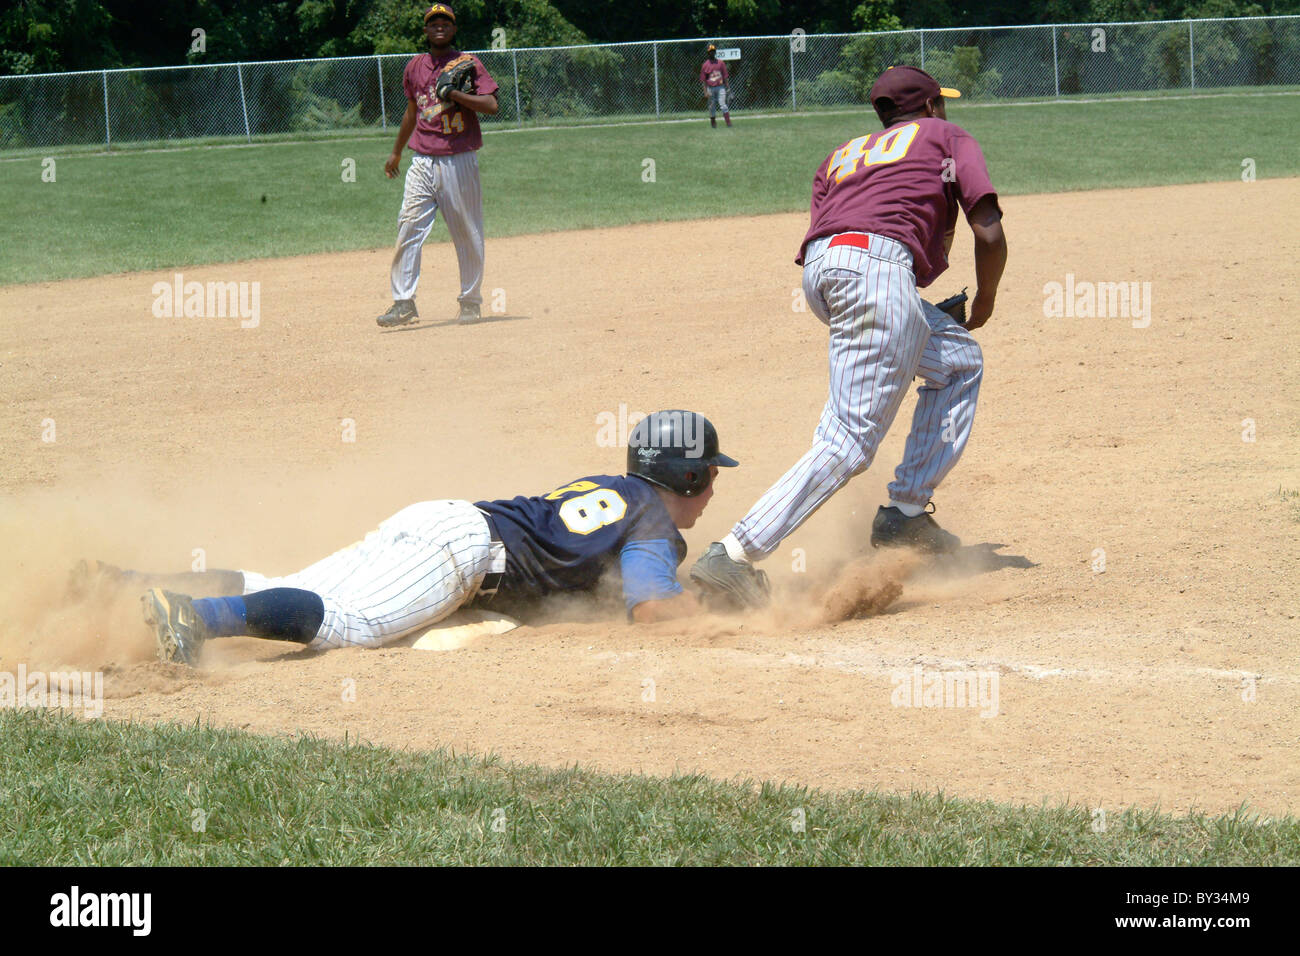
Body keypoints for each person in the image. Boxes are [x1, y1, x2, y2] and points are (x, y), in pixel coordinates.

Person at [690, 65, 1008, 610]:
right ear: (931, 106)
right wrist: (985, 298)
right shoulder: (946, 136)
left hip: (826, 272)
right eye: (943, 103)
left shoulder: (841, 155)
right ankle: (734, 554)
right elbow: (989, 230)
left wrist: (907, 309)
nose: (947, 111)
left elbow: (844, 234)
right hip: (876, 275)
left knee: (957, 362)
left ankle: (906, 515)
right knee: (849, 441)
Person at [84, 412, 737, 666]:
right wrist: (712, 603)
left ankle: (121, 587)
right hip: (461, 554)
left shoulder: (611, 489)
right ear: (684, 475)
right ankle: (193, 617)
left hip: (443, 524)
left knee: (285, 585)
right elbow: (651, 610)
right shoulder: (650, 519)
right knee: (350, 625)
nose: (713, 488)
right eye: (709, 474)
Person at [377, 4, 499, 328]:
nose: (440, 26)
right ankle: (404, 303)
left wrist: (457, 94)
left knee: (468, 232)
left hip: (458, 158)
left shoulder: (468, 64)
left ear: (453, 29)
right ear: (427, 31)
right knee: (408, 227)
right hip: (422, 160)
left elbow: (491, 105)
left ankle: (471, 302)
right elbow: (411, 111)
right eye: (433, 23)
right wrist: (396, 152)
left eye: (445, 22)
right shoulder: (415, 66)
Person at [699, 44, 731, 128]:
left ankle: (728, 123)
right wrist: (705, 91)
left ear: (715, 52)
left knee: (723, 105)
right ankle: (713, 123)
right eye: (710, 52)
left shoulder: (720, 63)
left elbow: (725, 76)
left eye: (713, 51)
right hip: (710, 88)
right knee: (712, 106)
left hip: (720, 87)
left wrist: (727, 87)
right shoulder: (705, 65)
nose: (712, 53)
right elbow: (704, 80)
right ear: (708, 53)